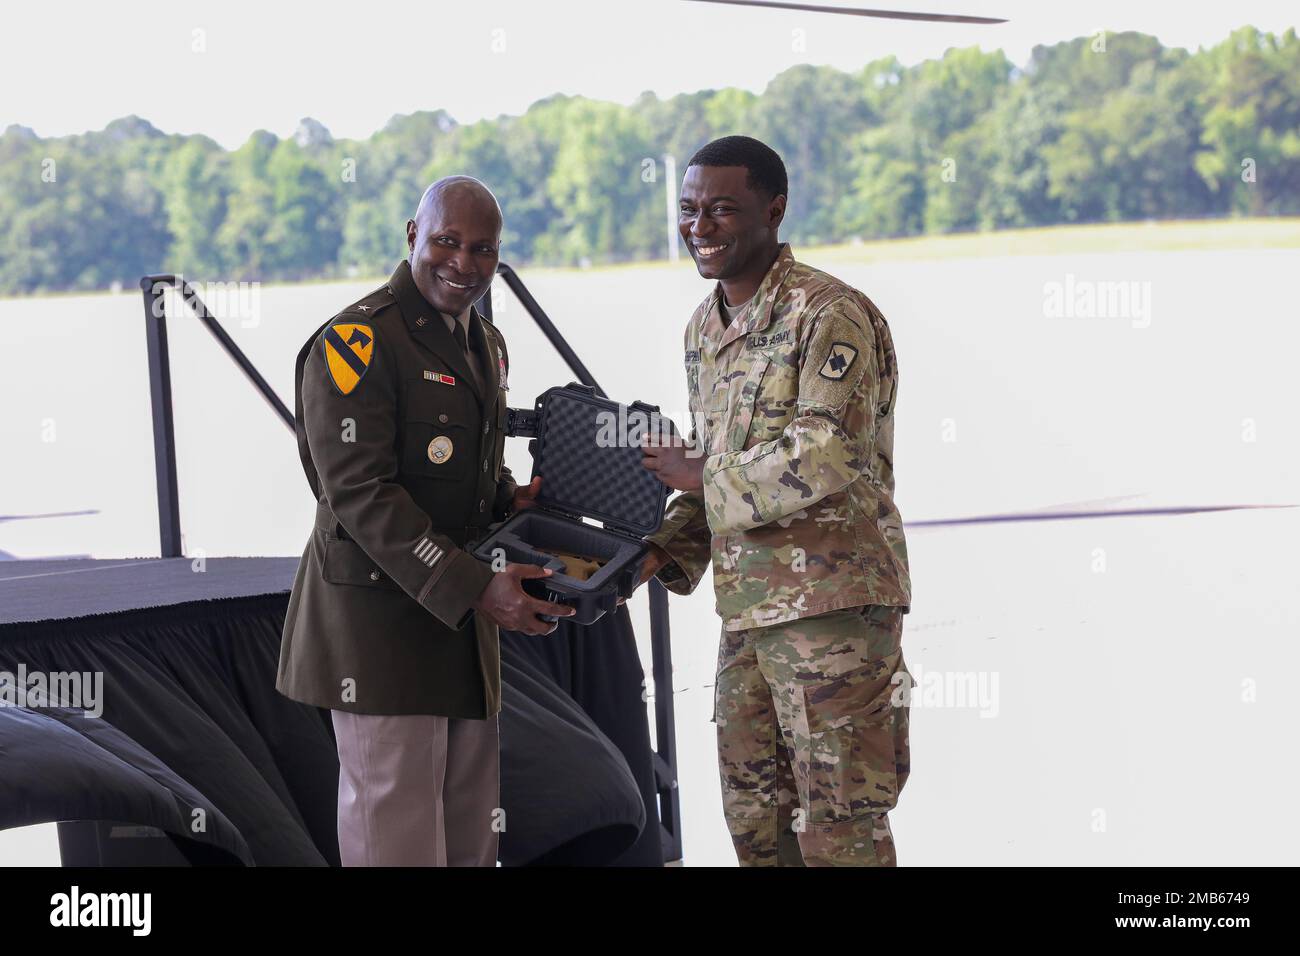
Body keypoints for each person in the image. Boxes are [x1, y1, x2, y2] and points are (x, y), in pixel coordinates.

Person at [276, 176, 574, 867]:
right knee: (397, 838)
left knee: (472, 833)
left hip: (463, 629)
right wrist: (476, 585)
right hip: (380, 631)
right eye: (446, 242)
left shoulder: (485, 343)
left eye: (482, 249)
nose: (463, 263)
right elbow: (357, 494)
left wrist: (512, 505)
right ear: (413, 235)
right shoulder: (357, 342)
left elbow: (472, 470)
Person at [637, 136, 913, 867]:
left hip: (835, 615)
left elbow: (827, 451)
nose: (701, 226)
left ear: (775, 209)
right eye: (690, 209)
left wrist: (701, 473)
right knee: (757, 825)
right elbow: (710, 465)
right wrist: (658, 553)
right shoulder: (703, 329)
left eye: (722, 209)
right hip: (748, 618)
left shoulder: (830, 313)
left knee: (839, 829)